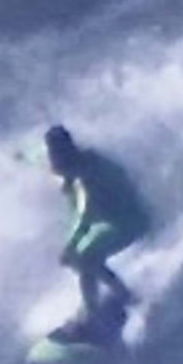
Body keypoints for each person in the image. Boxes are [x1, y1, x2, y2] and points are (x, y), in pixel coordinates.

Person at [41, 124, 149, 344]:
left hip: (129, 221)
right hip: (116, 218)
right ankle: (123, 296)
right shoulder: (81, 162)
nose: (50, 159)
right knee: (87, 259)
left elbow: (84, 216)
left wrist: (70, 248)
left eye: (53, 153)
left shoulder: (84, 178)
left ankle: (94, 317)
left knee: (84, 256)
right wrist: (20, 155)